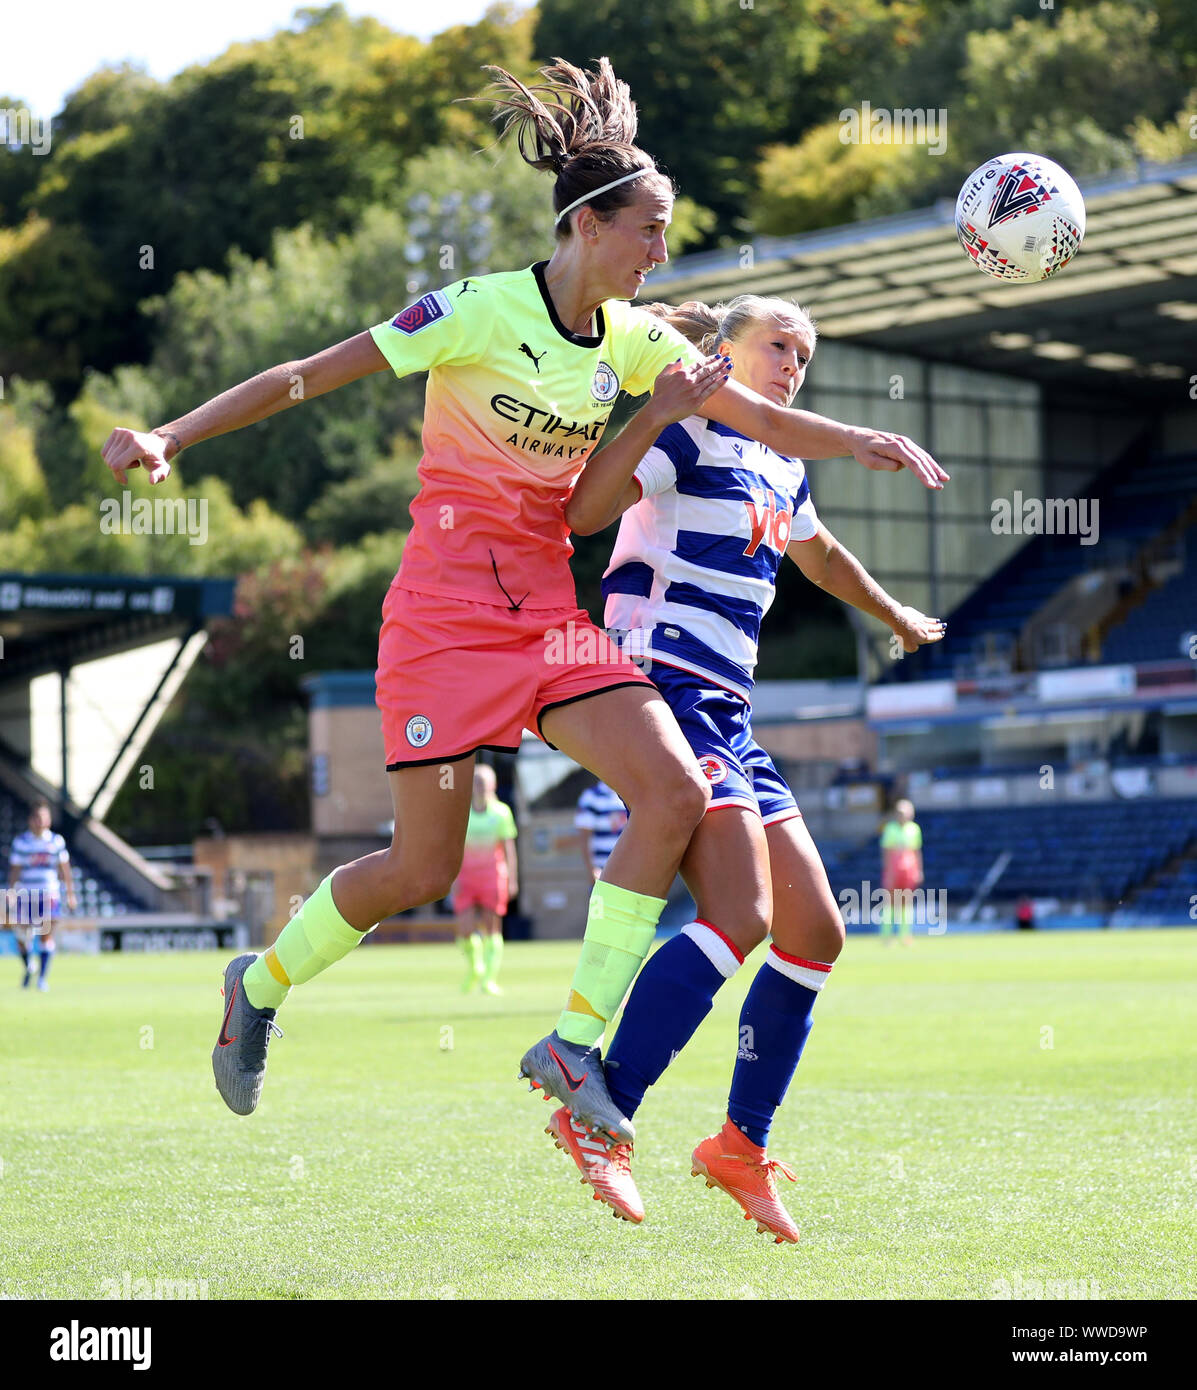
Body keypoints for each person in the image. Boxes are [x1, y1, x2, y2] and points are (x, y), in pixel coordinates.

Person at [101, 57, 944, 1136]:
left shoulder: (636, 340)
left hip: (550, 618)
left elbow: (767, 424)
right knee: (420, 866)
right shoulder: (476, 310)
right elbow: (311, 371)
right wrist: (171, 433)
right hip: (441, 624)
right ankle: (256, 988)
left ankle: (576, 1041)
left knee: (675, 789)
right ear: (588, 225)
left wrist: (864, 438)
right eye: (650, 227)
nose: (663, 249)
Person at [540, 294, 945, 1239]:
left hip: (731, 709)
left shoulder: (782, 463)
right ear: (724, 349)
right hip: (662, 681)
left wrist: (893, 617)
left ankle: (736, 1145)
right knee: (741, 915)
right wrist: (653, 410)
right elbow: (587, 509)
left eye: (803, 357)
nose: (792, 367)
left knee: (814, 934)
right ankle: (601, 1109)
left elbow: (822, 555)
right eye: (778, 347)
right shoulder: (687, 433)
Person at [452, 764, 517, 994]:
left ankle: (489, 979)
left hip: (492, 877)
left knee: (492, 929)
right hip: (466, 877)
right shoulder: (461, 813)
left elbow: (509, 848)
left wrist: (512, 879)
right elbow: (454, 847)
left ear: (493, 785)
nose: (479, 786)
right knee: (465, 930)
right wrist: (452, 877)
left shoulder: (501, 813)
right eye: (476, 782)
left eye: (483, 782)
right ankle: (475, 968)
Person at [8, 801, 76, 991]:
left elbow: (65, 870)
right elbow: (15, 870)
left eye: (44, 817)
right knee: (22, 937)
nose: (40, 821)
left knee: (46, 936)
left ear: (49, 820)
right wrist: (12, 892)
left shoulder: (56, 841)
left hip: (48, 895)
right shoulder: (21, 842)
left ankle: (42, 979)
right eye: (37, 817)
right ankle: (30, 965)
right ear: (31, 820)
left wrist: (70, 894)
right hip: (27, 896)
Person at [880, 799, 923, 946]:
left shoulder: (914, 829)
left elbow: (916, 851)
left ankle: (905, 935)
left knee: (906, 904)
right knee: (890, 904)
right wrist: (888, 872)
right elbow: (886, 852)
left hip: (909, 871)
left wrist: (918, 870)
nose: (902, 816)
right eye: (900, 813)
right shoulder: (890, 828)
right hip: (894, 870)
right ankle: (887, 936)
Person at [575, 779, 628, 882]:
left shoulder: (629, 794)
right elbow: (584, 838)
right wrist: (592, 869)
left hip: (629, 873)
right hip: (603, 875)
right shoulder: (591, 796)